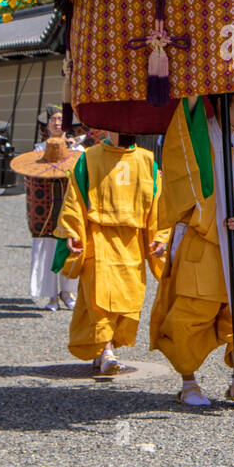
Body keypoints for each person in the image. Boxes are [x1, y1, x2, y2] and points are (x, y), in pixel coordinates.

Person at [149, 75, 234, 408]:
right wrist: (198, 72)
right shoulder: (200, 138)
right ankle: (188, 382)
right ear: (222, 102)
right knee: (193, 312)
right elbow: (186, 121)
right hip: (203, 235)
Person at [51, 126, 167, 373]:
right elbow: (75, 198)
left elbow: (159, 203)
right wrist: (72, 230)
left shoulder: (147, 161)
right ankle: (106, 352)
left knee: (129, 299)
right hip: (99, 238)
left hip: (133, 243)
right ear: (108, 128)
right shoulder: (90, 158)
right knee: (100, 299)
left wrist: (160, 236)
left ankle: (108, 346)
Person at [22, 106, 80, 310]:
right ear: (46, 126)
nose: (57, 123)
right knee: (48, 247)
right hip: (46, 205)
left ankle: (68, 291)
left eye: (61, 120)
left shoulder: (78, 149)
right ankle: (51, 295)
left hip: (69, 204)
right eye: (53, 120)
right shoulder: (38, 150)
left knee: (70, 245)